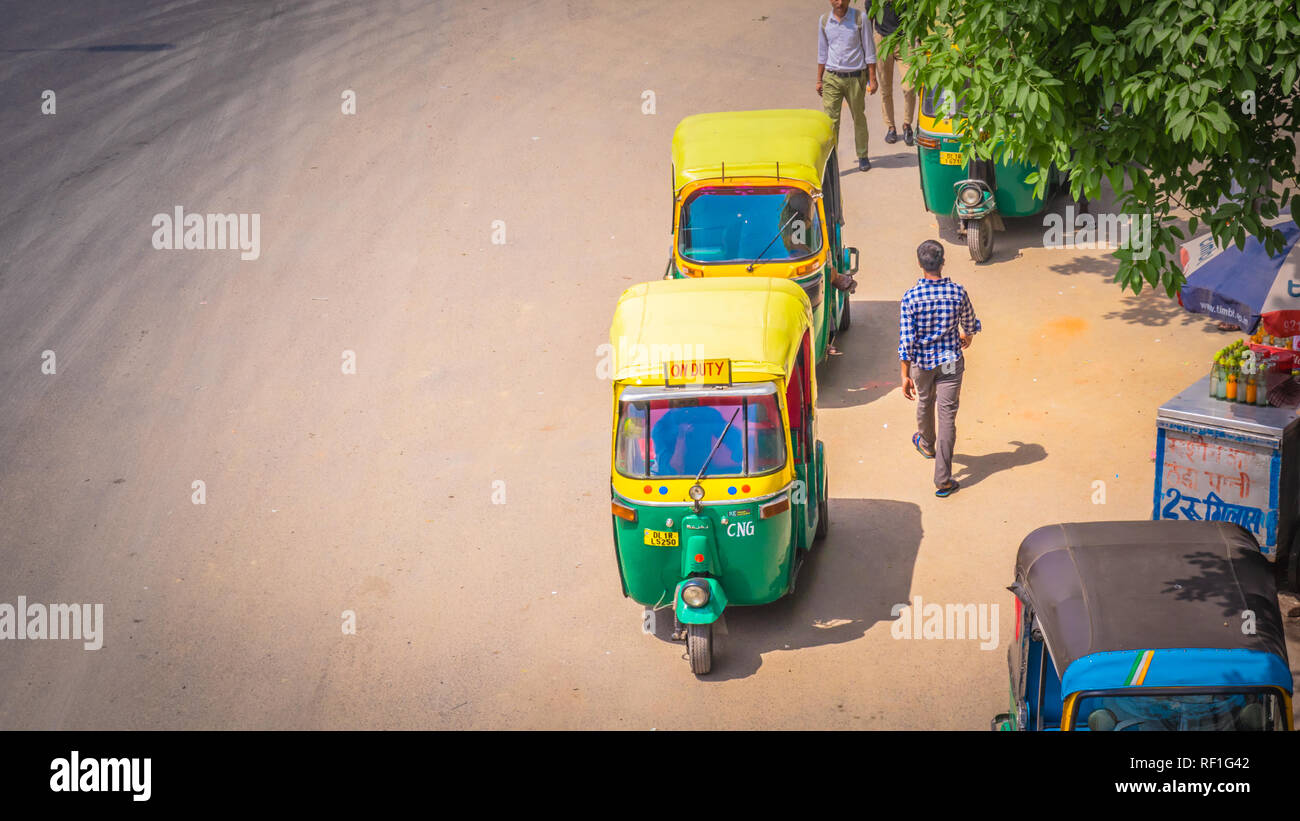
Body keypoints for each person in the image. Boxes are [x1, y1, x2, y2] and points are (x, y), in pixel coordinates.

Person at [899, 240, 981, 497]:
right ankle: (943, 479)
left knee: (924, 400)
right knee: (947, 416)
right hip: (949, 362)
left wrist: (904, 375)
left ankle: (926, 443)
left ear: (919, 264)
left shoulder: (911, 297)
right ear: (943, 262)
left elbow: (906, 341)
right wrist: (967, 337)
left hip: (922, 364)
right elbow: (969, 323)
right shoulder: (958, 292)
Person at [816, 0, 878, 171]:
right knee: (830, 121)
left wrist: (872, 78)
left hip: (855, 77)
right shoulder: (824, 21)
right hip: (832, 78)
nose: (840, 2)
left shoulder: (860, 19)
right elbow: (822, 52)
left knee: (858, 117)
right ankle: (830, 159)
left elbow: (869, 50)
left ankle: (863, 155)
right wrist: (819, 79)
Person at [867, 1, 916, 146]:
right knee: (885, 88)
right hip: (882, 40)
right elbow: (869, 18)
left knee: (910, 86)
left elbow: (916, 14)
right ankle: (891, 127)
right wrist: (868, 47)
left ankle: (907, 124)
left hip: (904, 40)